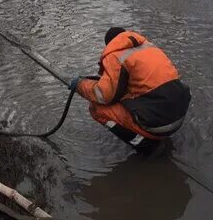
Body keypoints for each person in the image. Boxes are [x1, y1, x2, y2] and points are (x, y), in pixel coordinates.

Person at [70, 27, 191, 155]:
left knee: (97, 109)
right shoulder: (150, 48)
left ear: (110, 44)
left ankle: (145, 145)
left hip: (158, 124)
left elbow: (103, 95)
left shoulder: (116, 56)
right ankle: (156, 136)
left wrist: (80, 85)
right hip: (178, 117)